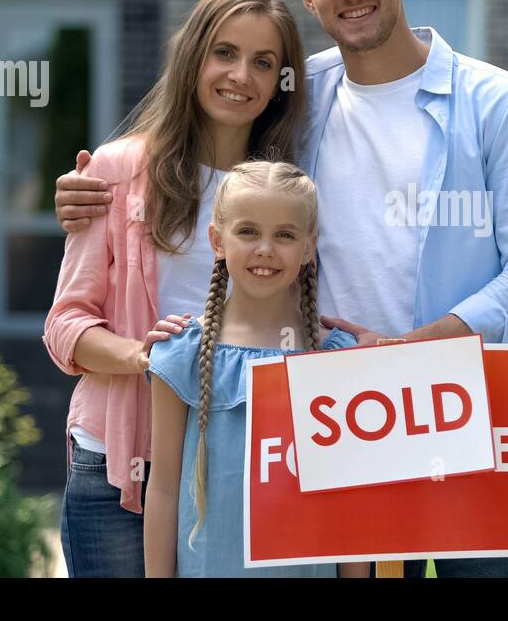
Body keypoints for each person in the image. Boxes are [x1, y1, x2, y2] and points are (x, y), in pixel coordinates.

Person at [55, 0, 508, 578]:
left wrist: (407, 352)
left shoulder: (501, 105)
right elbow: (203, 157)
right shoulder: (300, 96)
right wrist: (92, 188)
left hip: (458, 412)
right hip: (327, 425)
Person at [43, 0, 309, 577]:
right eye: (224, 53)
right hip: (121, 466)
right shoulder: (115, 172)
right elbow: (65, 327)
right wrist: (154, 358)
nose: (241, 75)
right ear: (193, 58)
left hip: (235, 468)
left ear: (280, 82)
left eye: (264, 62)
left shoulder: (286, 190)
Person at [143, 160, 363, 577]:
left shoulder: (337, 359)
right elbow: (164, 488)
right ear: (217, 239)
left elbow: (351, 500)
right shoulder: (181, 353)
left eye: (285, 235)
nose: (265, 249)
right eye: (248, 231)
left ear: (309, 247)